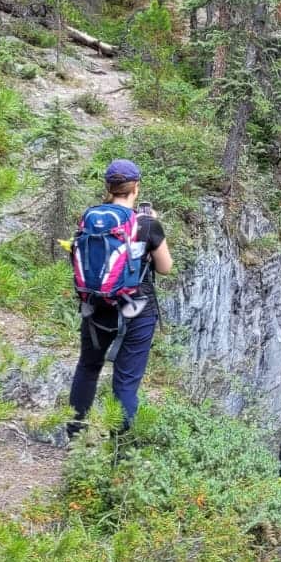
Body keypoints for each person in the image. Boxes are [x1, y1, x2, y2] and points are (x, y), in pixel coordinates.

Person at [66, 158, 173, 436]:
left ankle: (75, 433)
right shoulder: (147, 224)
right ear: (135, 187)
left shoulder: (91, 217)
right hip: (136, 310)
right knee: (125, 382)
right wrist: (153, 230)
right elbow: (165, 267)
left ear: (108, 187)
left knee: (88, 367)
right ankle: (118, 444)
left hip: (96, 306)